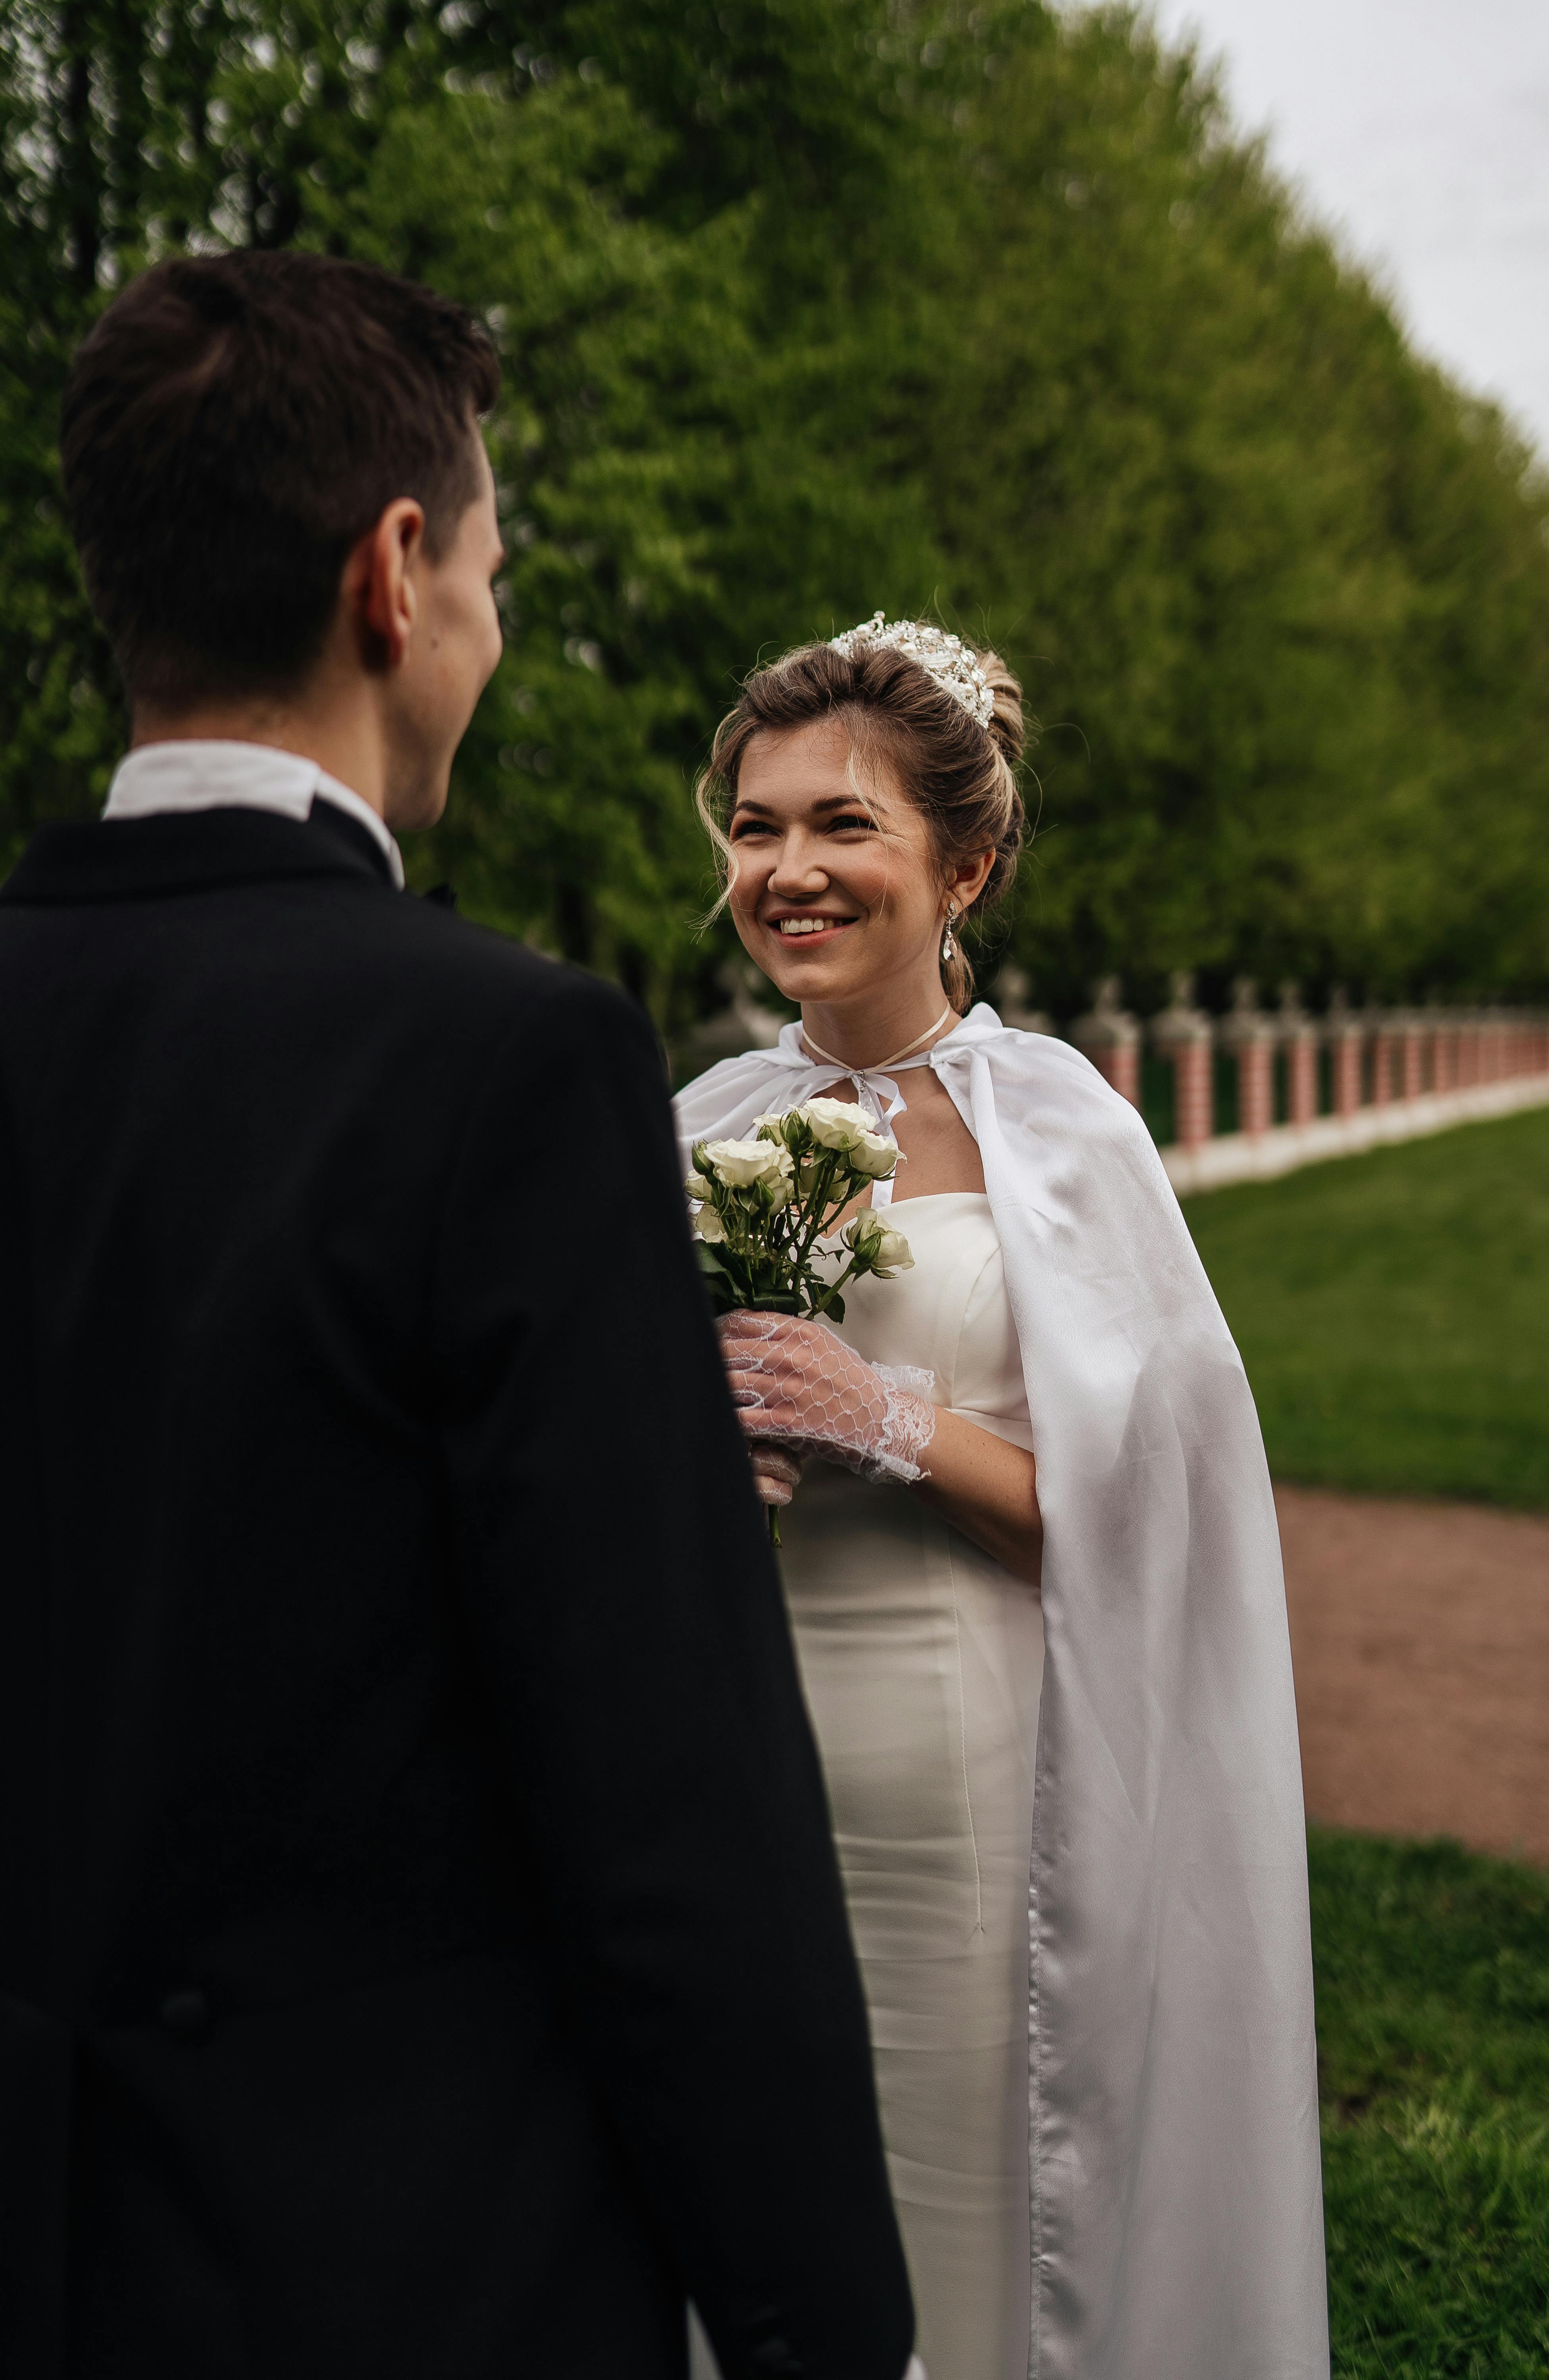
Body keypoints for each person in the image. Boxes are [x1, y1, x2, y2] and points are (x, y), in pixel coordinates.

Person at [0, 252, 919, 2380]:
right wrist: (821, 2327)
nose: (493, 631)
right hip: (383, 2271)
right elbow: (669, 1807)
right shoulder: (502, 1065)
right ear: (395, 575)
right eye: (495, 569)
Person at [674, 619, 1331, 2380]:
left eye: (842, 826)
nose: (788, 869)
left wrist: (889, 1415)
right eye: (754, 827)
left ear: (962, 865)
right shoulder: (699, 1120)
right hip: (729, 1757)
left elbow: (1151, 1514)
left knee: (953, 2227)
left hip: (964, 1779)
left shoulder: (1063, 1136)